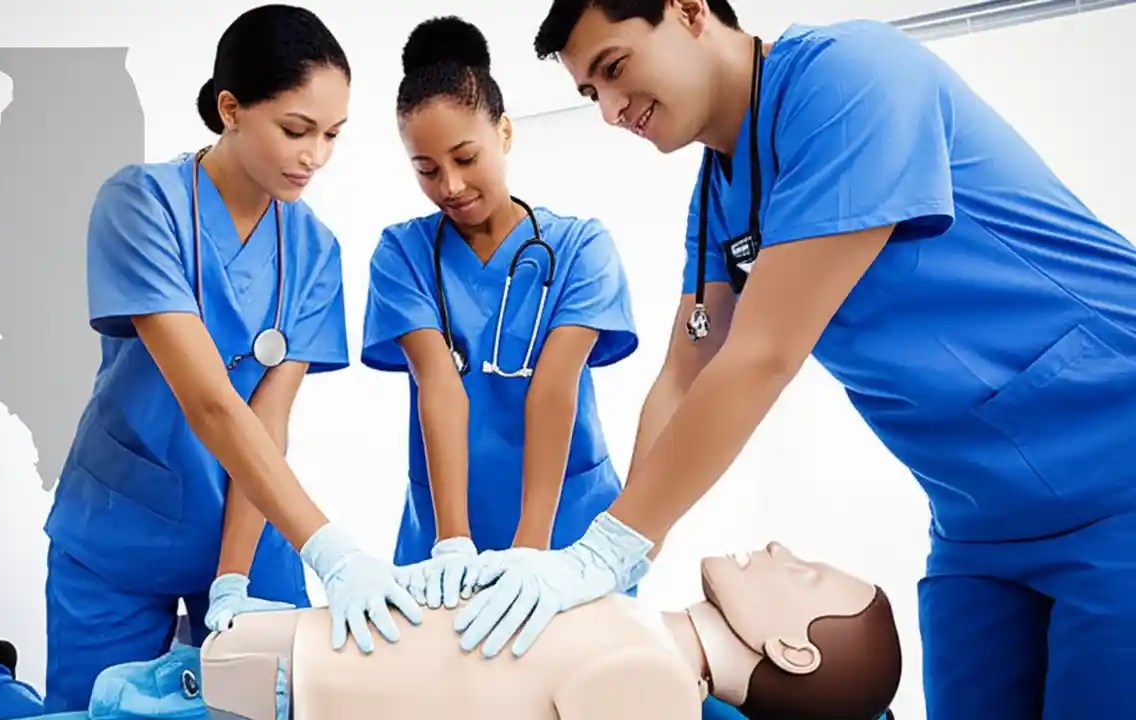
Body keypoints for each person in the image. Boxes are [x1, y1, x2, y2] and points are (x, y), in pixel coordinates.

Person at [454, 2, 1136, 718]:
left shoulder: (853, 77)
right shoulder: (721, 189)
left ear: (689, 11)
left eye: (615, 69)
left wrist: (604, 551)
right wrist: (615, 576)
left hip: (1116, 466)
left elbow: (762, 354)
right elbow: (685, 374)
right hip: (979, 519)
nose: (612, 110)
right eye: (592, 94)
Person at [37, 5, 420, 713]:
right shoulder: (140, 205)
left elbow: (264, 422)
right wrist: (331, 550)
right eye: (296, 130)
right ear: (231, 109)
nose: (316, 156)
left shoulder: (315, 251)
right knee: (93, 710)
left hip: (252, 520)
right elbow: (211, 402)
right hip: (123, 527)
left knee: (274, 704)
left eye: (332, 135)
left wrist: (233, 577)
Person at [0, 543, 900, 720]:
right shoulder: (643, 636)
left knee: (121, 705)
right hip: (295, 669)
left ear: (794, 653)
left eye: (805, 573)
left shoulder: (654, 681)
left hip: (296, 683)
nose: (782, 547)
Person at [361, 17, 641, 607]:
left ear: (505, 132)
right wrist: (453, 543)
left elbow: (553, 386)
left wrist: (531, 552)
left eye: (466, 157)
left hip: (568, 531)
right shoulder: (403, 254)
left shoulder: (579, 248)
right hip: (442, 533)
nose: (451, 186)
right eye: (427, 170)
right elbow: (438, 386)